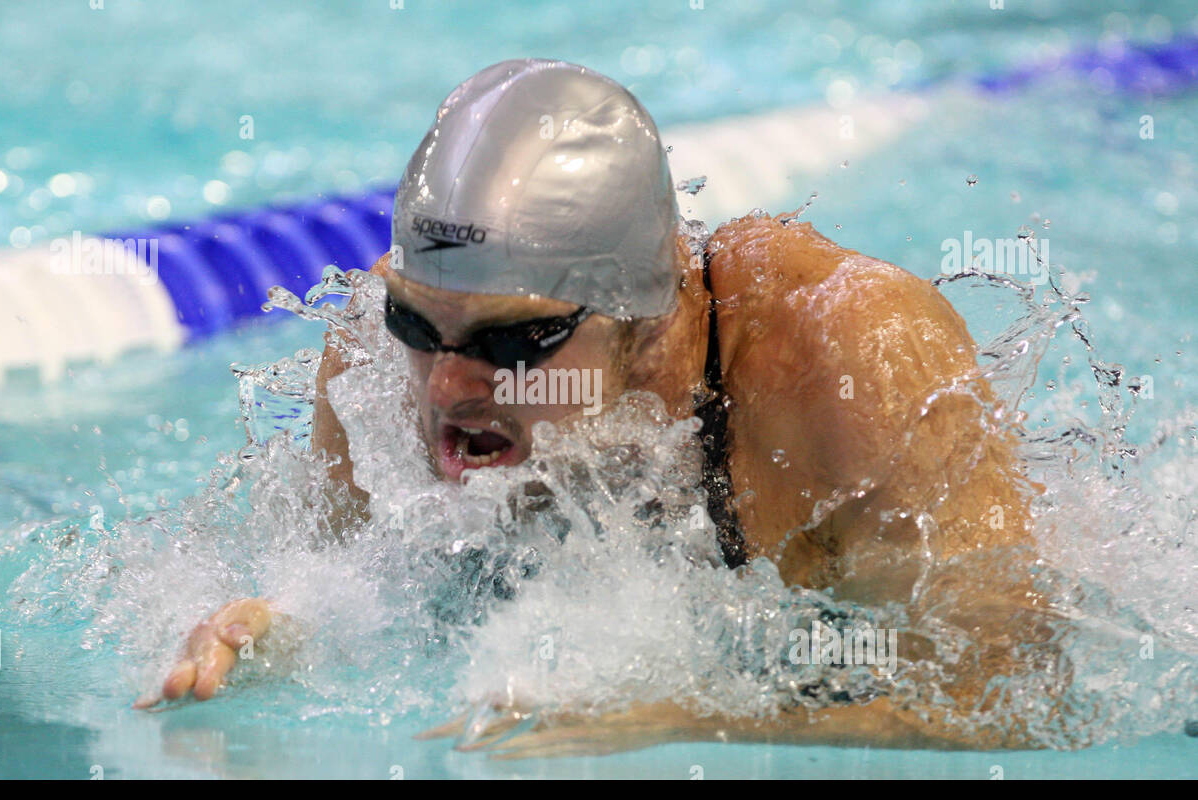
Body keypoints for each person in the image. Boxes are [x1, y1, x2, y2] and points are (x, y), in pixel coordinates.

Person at [137, 59, 1054, 752]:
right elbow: (366, 593)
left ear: (646, 321)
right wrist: (279, 634)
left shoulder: (843, 363)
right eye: (418, 323)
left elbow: (1014, 692)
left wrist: (689, 723)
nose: (448, 389)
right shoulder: (376, 351)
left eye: (512, 342)